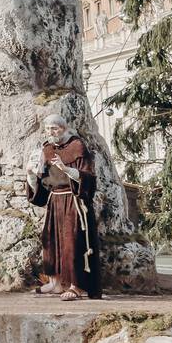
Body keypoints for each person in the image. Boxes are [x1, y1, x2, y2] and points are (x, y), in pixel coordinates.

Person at [27, 114, 101, 301]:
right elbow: (42, 181)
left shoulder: (77, 146)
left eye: (55, 128)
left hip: (74, 200)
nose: (51, 132)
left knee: (72, 242)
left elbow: (89, 177)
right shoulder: (47, 149)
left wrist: (66, 169)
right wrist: (30, 174)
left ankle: (76, 286)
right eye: (48, 129)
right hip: (55, 200)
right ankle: (56, 282)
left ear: (64, 128)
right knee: (50, 240)